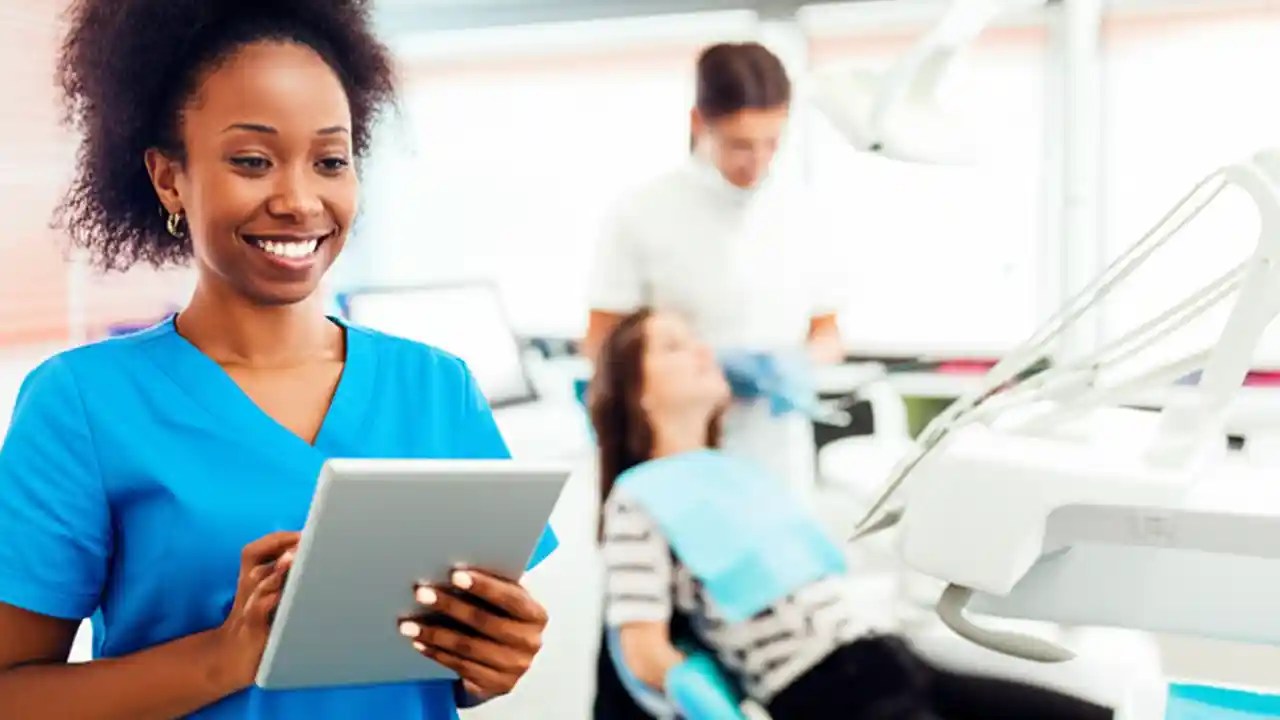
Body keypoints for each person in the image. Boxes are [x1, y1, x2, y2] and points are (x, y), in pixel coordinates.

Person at [0, 1, 555, 718]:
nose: (299, 200)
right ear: (170, 178)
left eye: (330, 160)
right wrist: (219, 659)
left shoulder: (436, 386)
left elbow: (454, 661)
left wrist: (490, 662)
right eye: (252, 161)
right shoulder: (83, 404)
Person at [588, 308, 1115, 720]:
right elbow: (643, 651)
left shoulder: (734, 475)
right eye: (674, 347)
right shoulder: (638, 498)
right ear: (637, 391)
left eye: (695, 338)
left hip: (888, 659)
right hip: (826, 692)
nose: (703, 352)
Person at [583, 42, 844, 495]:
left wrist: (796, 365)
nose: (757, 163)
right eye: (740, 144)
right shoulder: (641, 212)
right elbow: (601, 345)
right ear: (698, 122)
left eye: (772, 143)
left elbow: (828, 332)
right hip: (679, 449)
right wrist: (696, 370)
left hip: (777, 446)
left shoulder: (801, 210)